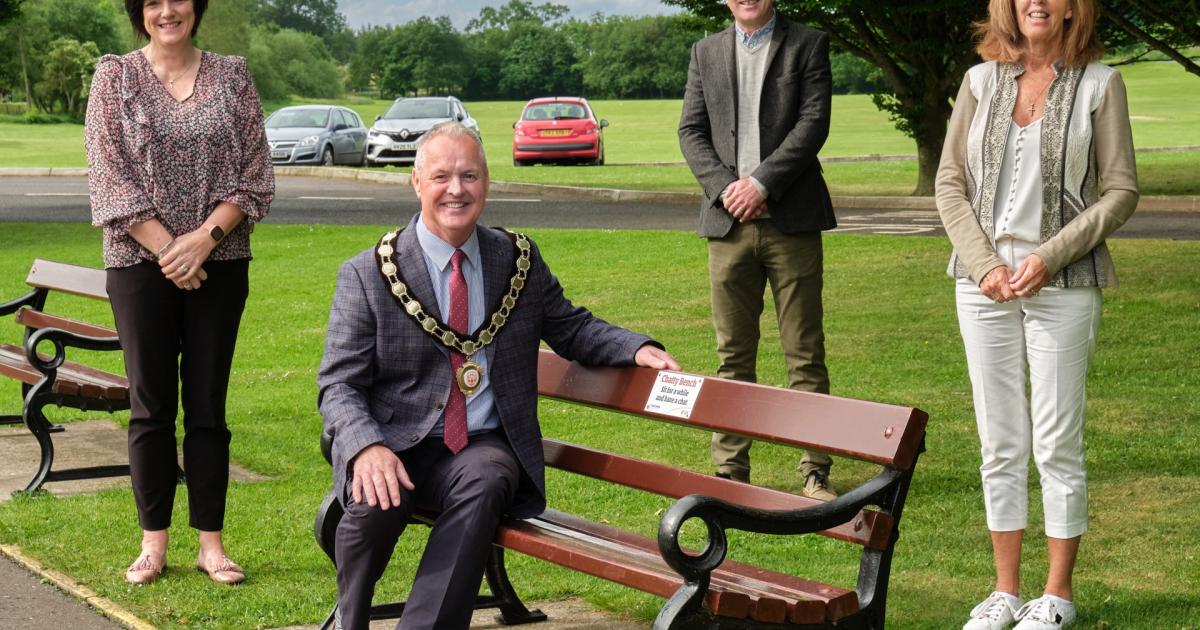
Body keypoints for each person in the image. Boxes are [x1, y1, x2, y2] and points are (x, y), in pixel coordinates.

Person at [317, 122, 679, 630]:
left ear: (486, 182)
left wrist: (635, 347)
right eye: (441, 176)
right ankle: (348, 620)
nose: (456, 190)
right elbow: (339, 384)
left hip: (479, 447)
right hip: (394, 442)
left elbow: (572, 326)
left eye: (469, 175)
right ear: (417, 182)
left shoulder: (517, 260)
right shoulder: (369, 273)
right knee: (375, 503)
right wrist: (366, 447)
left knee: (487, 479)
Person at [935, 0, 1138, 627]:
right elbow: (949, 183)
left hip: (1065, 284)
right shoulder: (978, 81)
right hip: (983, 287)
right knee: (999, 442)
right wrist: (984, 265)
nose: (1036, 2)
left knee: (1056, 442)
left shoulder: (1101, 84)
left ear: (1073, 8)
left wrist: (1050, 257)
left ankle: (1056, 598)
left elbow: (1121, 191)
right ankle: (1005, 593)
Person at [85, 0, 274, 585]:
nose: (167, 11)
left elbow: (255, 174)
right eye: (153, 2)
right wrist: (173, 252)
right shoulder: (115, 76)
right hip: (138, 264)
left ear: (197, 6)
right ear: (138, 12)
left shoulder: (233, 75)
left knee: (208, 405)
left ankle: (211, 545)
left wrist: (203, 242)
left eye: (178, 0)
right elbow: (109, 177)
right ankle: (153, 543)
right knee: (151, 405)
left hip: (221, 261)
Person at [678, 0, 838, 498]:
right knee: (732, 356)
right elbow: (690, 131)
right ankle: (730, 473)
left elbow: (813, 123)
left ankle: (814, 470)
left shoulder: (808, 44)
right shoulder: (705, 52)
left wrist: (762, 183)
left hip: (792, 221)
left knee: (804, 353)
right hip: (728, 225)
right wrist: (726, 188)